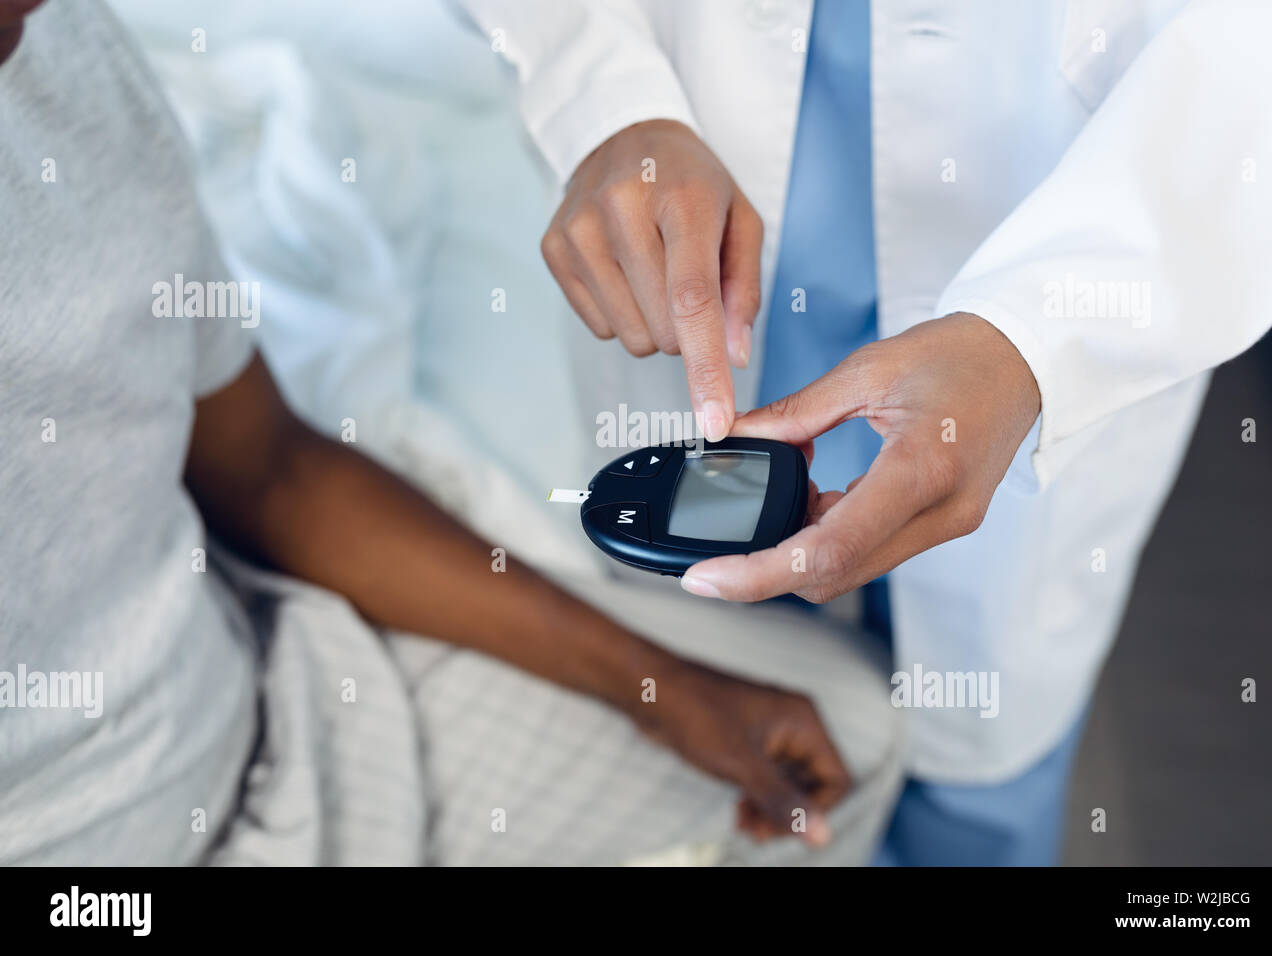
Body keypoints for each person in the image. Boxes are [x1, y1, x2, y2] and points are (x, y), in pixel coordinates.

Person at [0, 0, 903, 865]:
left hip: (289, 710)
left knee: (846, 739)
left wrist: (659, 688)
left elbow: (270, 470)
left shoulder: (63, 45)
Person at [457, 0, 1272, 863]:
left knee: (976, 775)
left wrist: (1033, 341)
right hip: (705, 223)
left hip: (1061, 261)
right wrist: (607, 101)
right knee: (727, 747)